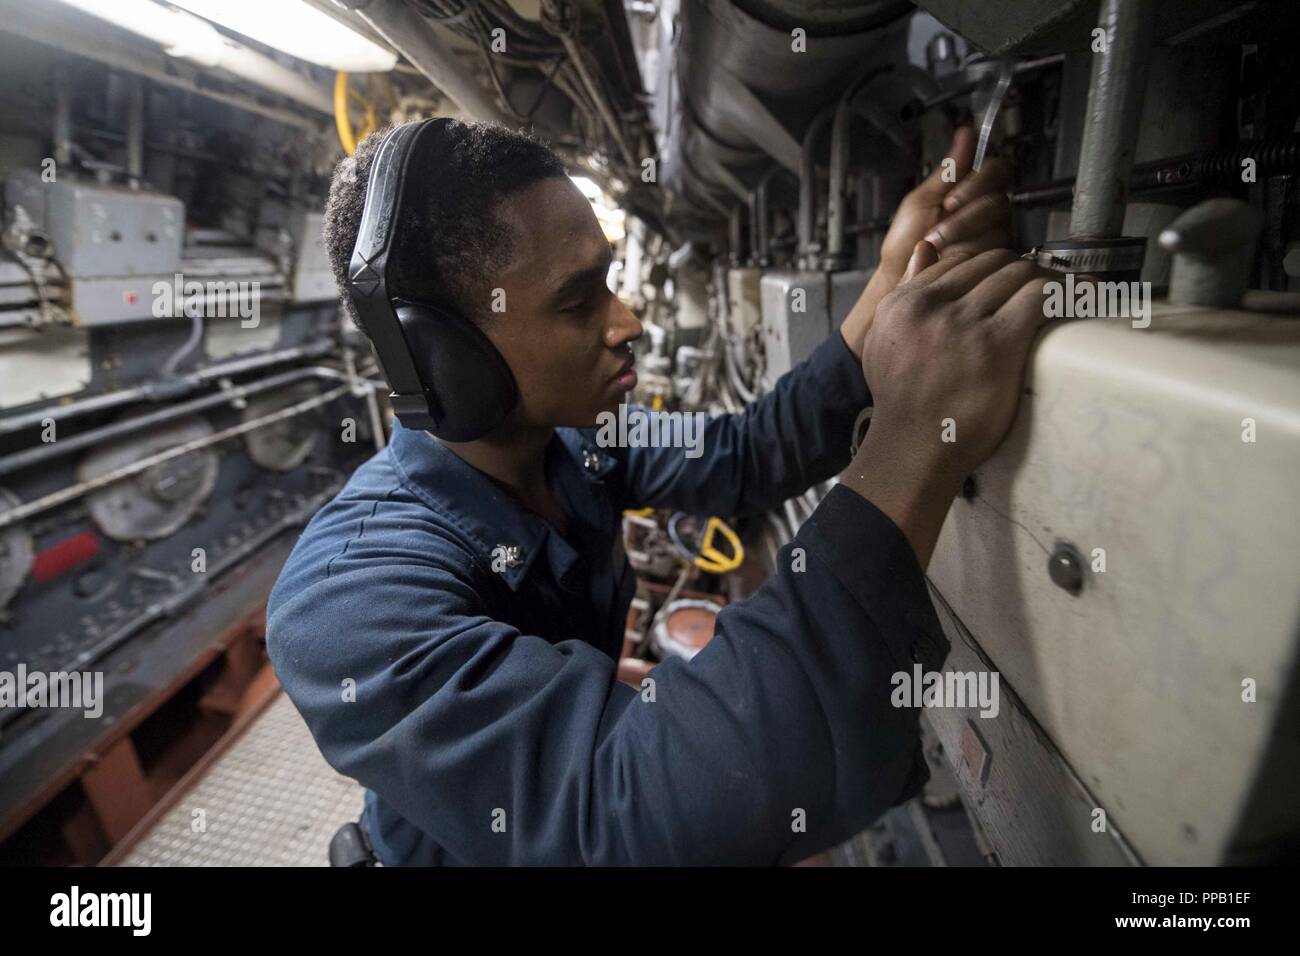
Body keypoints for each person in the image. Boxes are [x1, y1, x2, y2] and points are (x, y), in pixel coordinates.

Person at [265, 117, 1052, 865]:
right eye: (578, 302)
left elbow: (746, 453)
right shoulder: (341, 603)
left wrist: (890, 281)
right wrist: (915, 442)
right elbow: (616, 816)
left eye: (610, 282)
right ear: (441, 360)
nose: (628, 321)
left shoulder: (583, 442)